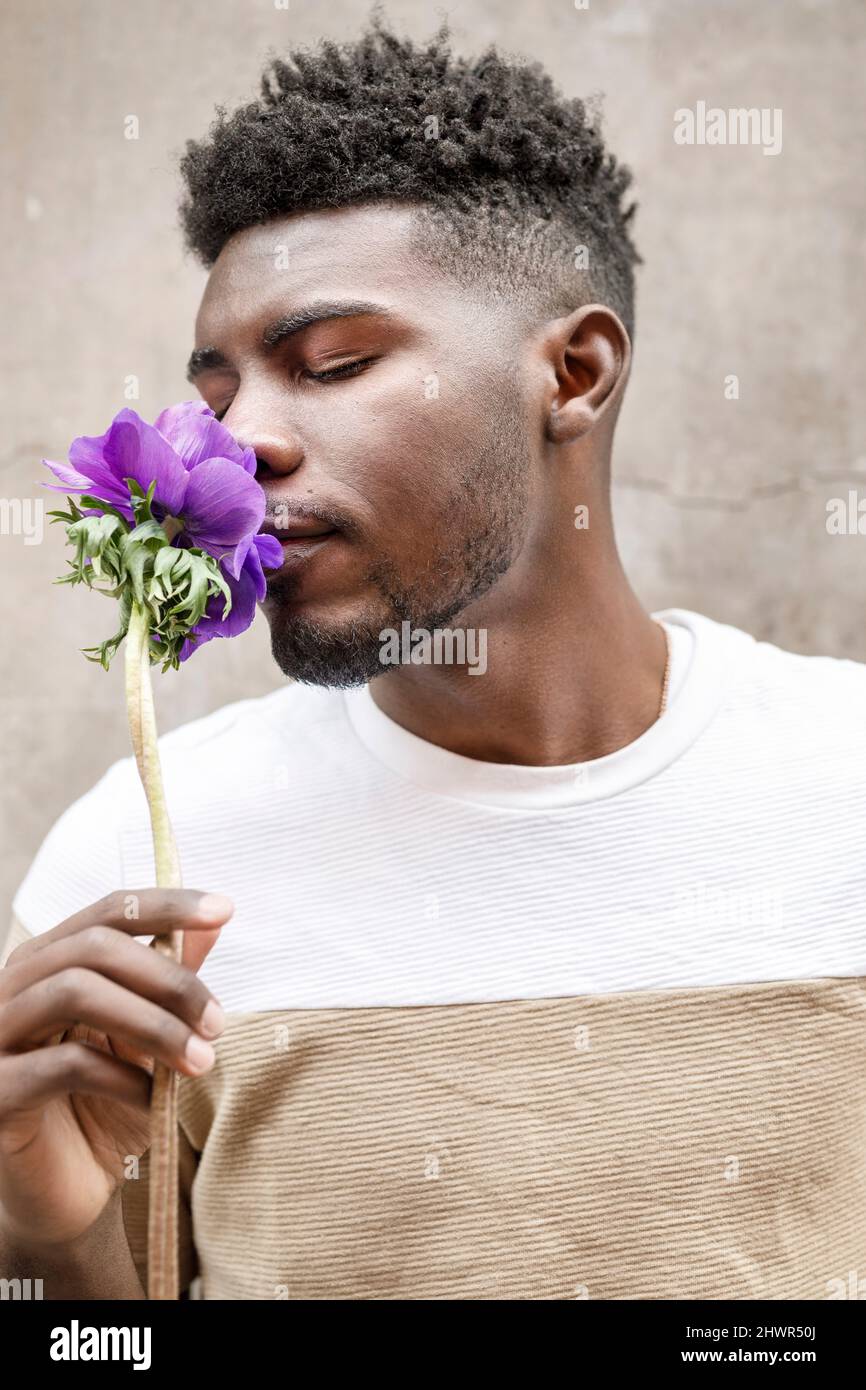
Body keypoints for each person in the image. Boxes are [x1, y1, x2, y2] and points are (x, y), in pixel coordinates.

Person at [2, 16, 865, 1301]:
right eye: (221, 394)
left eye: (333, 363)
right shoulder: (146, 852)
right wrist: (54, 1241)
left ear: (573, 374)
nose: (241, 448)